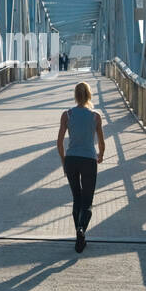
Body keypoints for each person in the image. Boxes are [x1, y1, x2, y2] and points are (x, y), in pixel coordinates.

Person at [57, 80, 105, 252]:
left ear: (75, 96)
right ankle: (81, 230)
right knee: (87, 201)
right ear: (89, 95)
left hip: (71, 160)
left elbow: (59, 142)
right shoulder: (95, 116)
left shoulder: (67, 114)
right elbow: (101, 142)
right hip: (88, 161)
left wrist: (64, 160)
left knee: (76, 198)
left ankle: (79, 234)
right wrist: (101, 155)